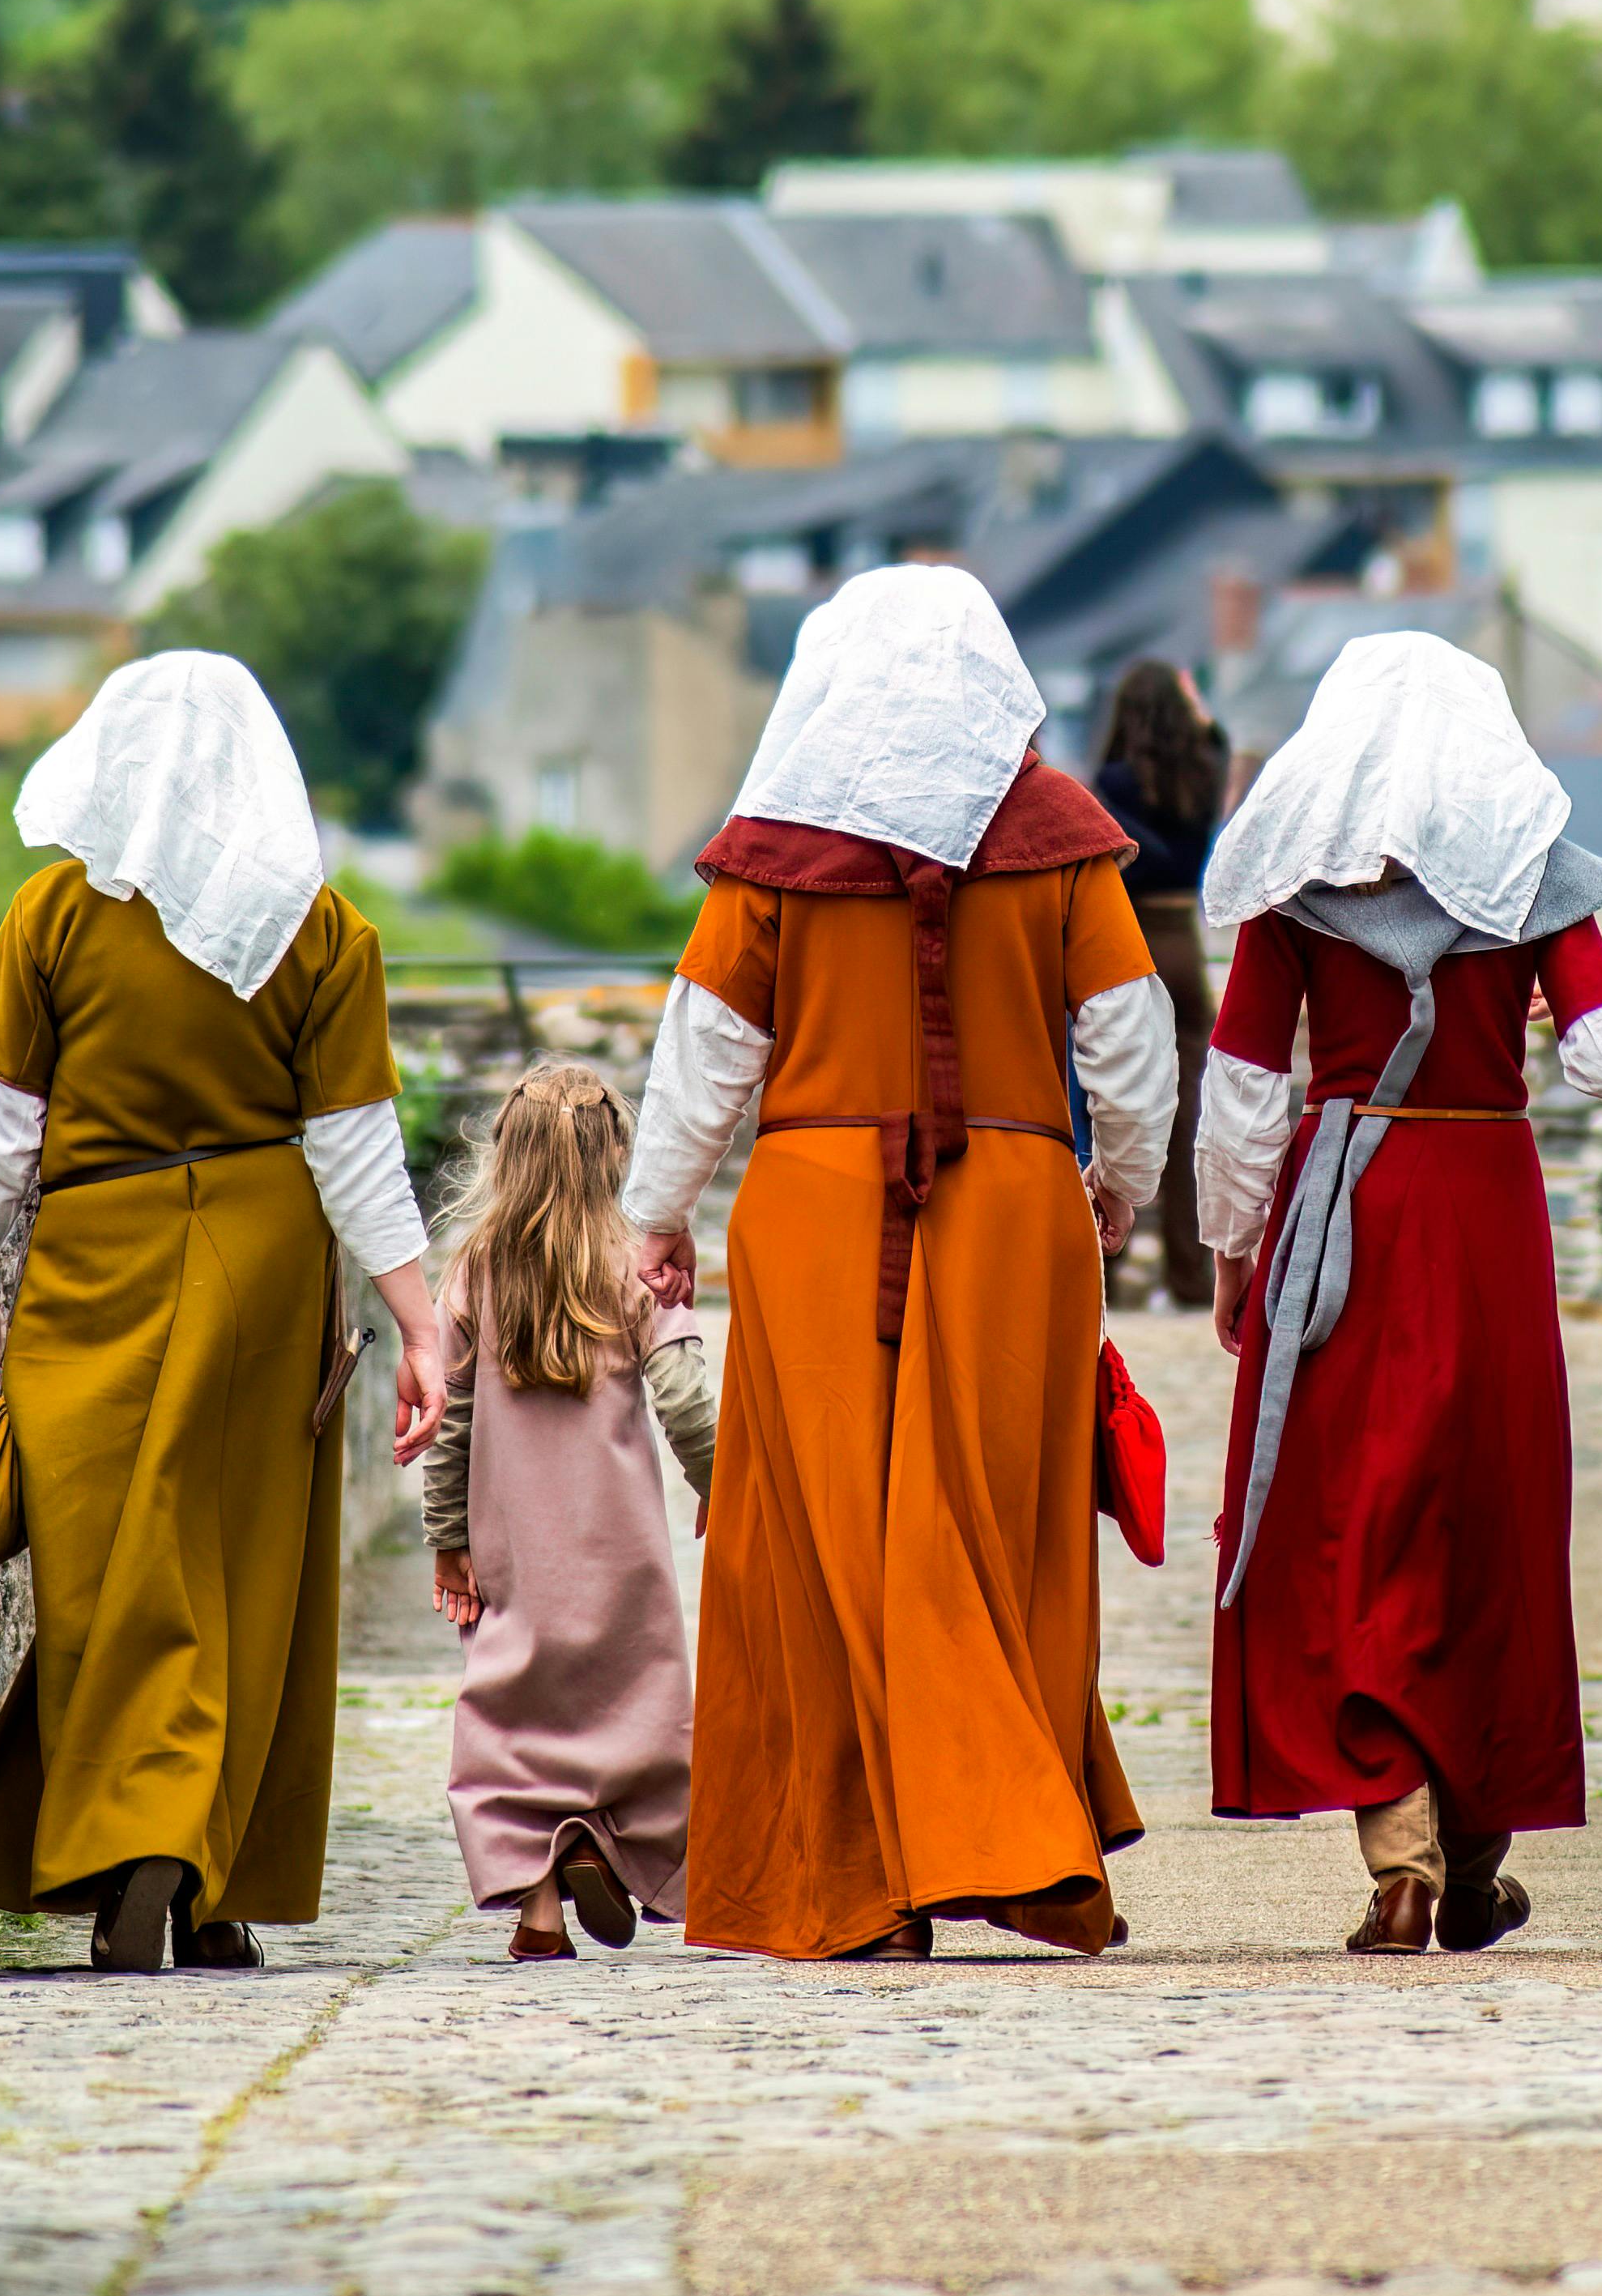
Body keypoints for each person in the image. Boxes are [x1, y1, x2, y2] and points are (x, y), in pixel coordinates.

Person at [619, 564, 1180, 1961]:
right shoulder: (1058, 836)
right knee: (992, 1540)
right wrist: (1115, 1185)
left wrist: (655, 1212)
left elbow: (705, 1053)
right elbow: (1129, 1041)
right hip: (1012, 1218)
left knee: (827, 1550)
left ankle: (858, 1879)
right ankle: (1003, 1834)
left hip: (813, 1215)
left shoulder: (772, 847)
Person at [0, 652, 446, 1975]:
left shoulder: (51, 917)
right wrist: (422, 1325)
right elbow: (354, 1155)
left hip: (97, 1257)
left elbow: (1, 1136)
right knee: (247, 1575)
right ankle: (207, 1877)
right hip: (266, 1265)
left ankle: (141, 1849)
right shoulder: (321, 933)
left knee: (111, 1579)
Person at [1188, 633, 1602, 1956]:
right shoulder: (1539, 881)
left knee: (1357, 1526)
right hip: (1484, 1201)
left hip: (1342, 1209)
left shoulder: (1299, 887)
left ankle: (1400, 1859)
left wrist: (1235, 1246)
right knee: (1482, 1520)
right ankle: (1471, 1858)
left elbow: (1242, 1092)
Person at [416, 1062, 715, 1962]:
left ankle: (540, 1911)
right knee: (641, 1722)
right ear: (617, 1159)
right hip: (622, 1565)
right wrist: (724, 1484)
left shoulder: (474, 1270)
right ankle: (600, 1837)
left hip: (515, 1561)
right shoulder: (638, 1273)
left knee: (512, 1732)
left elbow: (451, 1420)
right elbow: (688, 1402)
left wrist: (448, 1541)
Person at [1088, 658, 1231, 1312]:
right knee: (1189, 1116)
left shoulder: (1110, 782)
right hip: (1184, 939)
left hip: (1125, 941)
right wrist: (1199, 716)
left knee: (1109, 1098)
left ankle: (1105, 1271)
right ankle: (1188, 1274)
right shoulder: (1201, 773)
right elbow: (1216, 743)